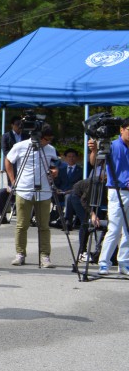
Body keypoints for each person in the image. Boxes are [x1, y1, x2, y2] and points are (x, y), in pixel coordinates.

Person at [5, 124, 59, 268]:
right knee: (22, 225)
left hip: (44, 191)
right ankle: (20, 253)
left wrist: (55, 171)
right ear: (38, 136)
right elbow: (8, 160)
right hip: (24, 190)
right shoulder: (20, 146)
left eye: (50, 139)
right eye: (46, 139)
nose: (48, 142)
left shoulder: (50, 149)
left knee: (44, 226)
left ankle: (45, 256)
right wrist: (12, 180)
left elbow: (54, 165)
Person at [90, 118, 129, 276]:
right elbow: (94, 162)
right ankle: (104, 263)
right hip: (116, 190)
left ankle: (124, 263)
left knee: (128, 230)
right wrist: (94, 150)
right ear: (122, 129)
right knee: (114, 228)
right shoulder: (112, 145)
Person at [52, 148, 84, 229]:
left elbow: (81, 185)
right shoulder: (61, 170)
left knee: (68, 197)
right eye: (69, 156)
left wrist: (71, 191)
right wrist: (57, 189)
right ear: (65, 158)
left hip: (72, 193)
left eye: (73, 156)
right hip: (60, 192)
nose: (71, 158)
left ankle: (67, 220)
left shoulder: (81, 171)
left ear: (76, 158)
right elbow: (57, 182)